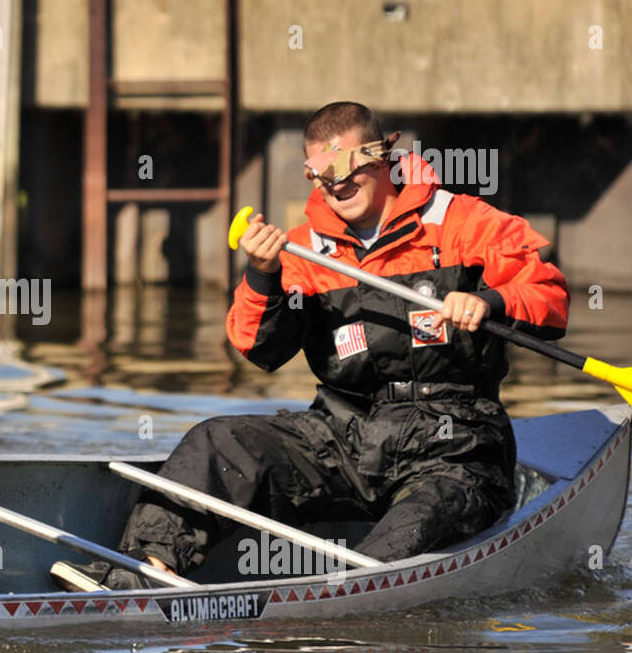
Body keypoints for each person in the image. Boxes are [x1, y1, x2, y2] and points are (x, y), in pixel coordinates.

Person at [53, 101, 569, 591]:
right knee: (217, 441)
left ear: (382, 154)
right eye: (322, 174)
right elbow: (259, 349)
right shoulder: (302, 250)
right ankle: (143, 570)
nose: (337, 184)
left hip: (455, 444)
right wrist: (262, 275)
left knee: (403, 539)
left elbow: (551, 298)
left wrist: (492, 302)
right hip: (344, 434)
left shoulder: (465, 223)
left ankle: (356, 598)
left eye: (346, 167)